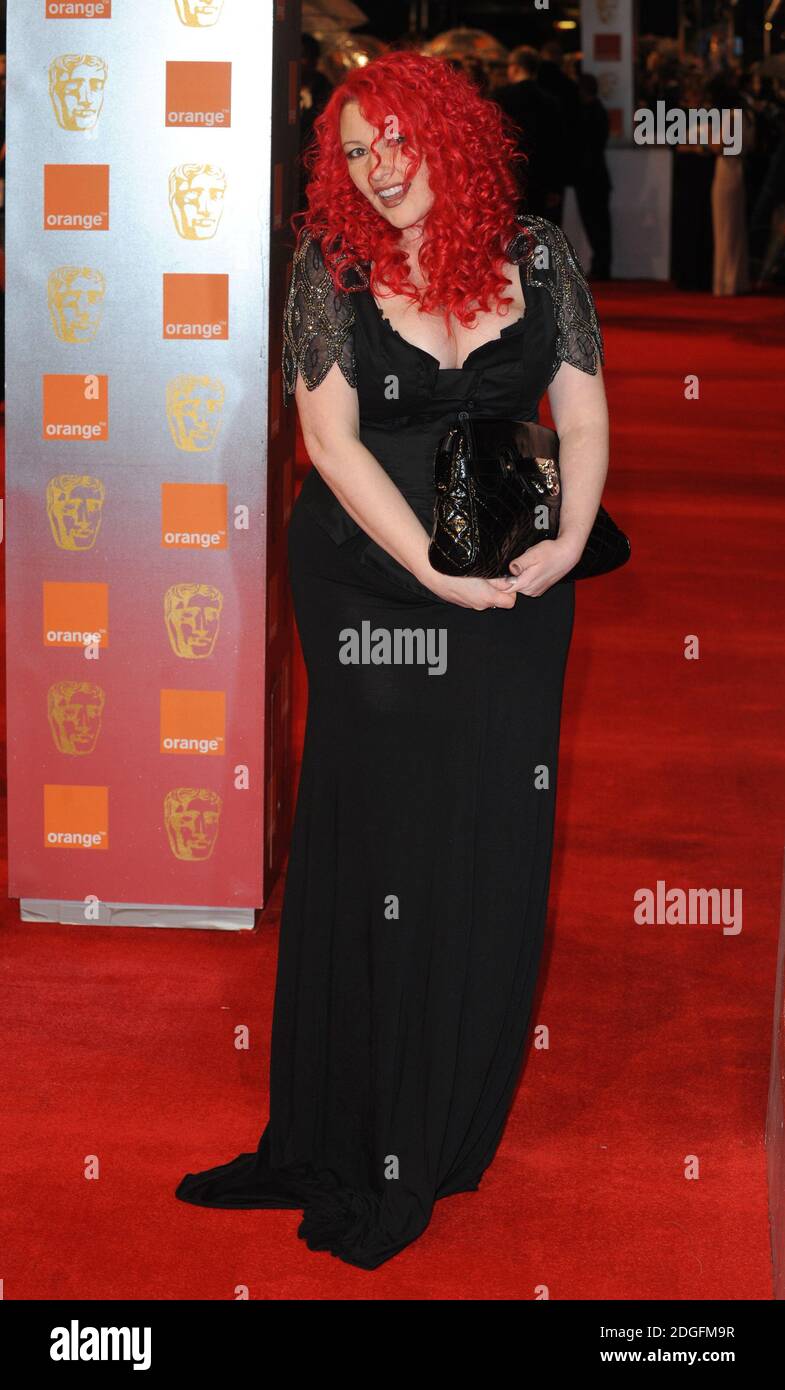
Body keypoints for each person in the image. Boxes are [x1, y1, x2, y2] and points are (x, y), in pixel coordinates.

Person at [175, 49, 609, 1270]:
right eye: (354, 151)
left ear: (449, 134)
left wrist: (568, 539)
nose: (377, 170)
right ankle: (341, 1125)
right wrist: (429, 570)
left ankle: (441, 1125)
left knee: (486, 828)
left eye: (397, 141)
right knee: (378, 833)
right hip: (372, 572)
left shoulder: (535, 253)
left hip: (516, 562)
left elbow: (577, 408)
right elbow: (328, 440)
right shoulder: (328, 263)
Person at [493, 46, 564, 218]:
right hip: (540, 177)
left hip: (508, 176)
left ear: (516, 68)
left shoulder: (500, 98)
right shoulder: (550, 101)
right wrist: (554, 186)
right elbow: (557, 145)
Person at [573, 72, 612, 280]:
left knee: (596, 224)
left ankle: (601, 265)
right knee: (599, 224)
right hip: (596, 177)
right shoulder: (598, 111)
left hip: (589, 178)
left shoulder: (589, 113)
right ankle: (601, 264)